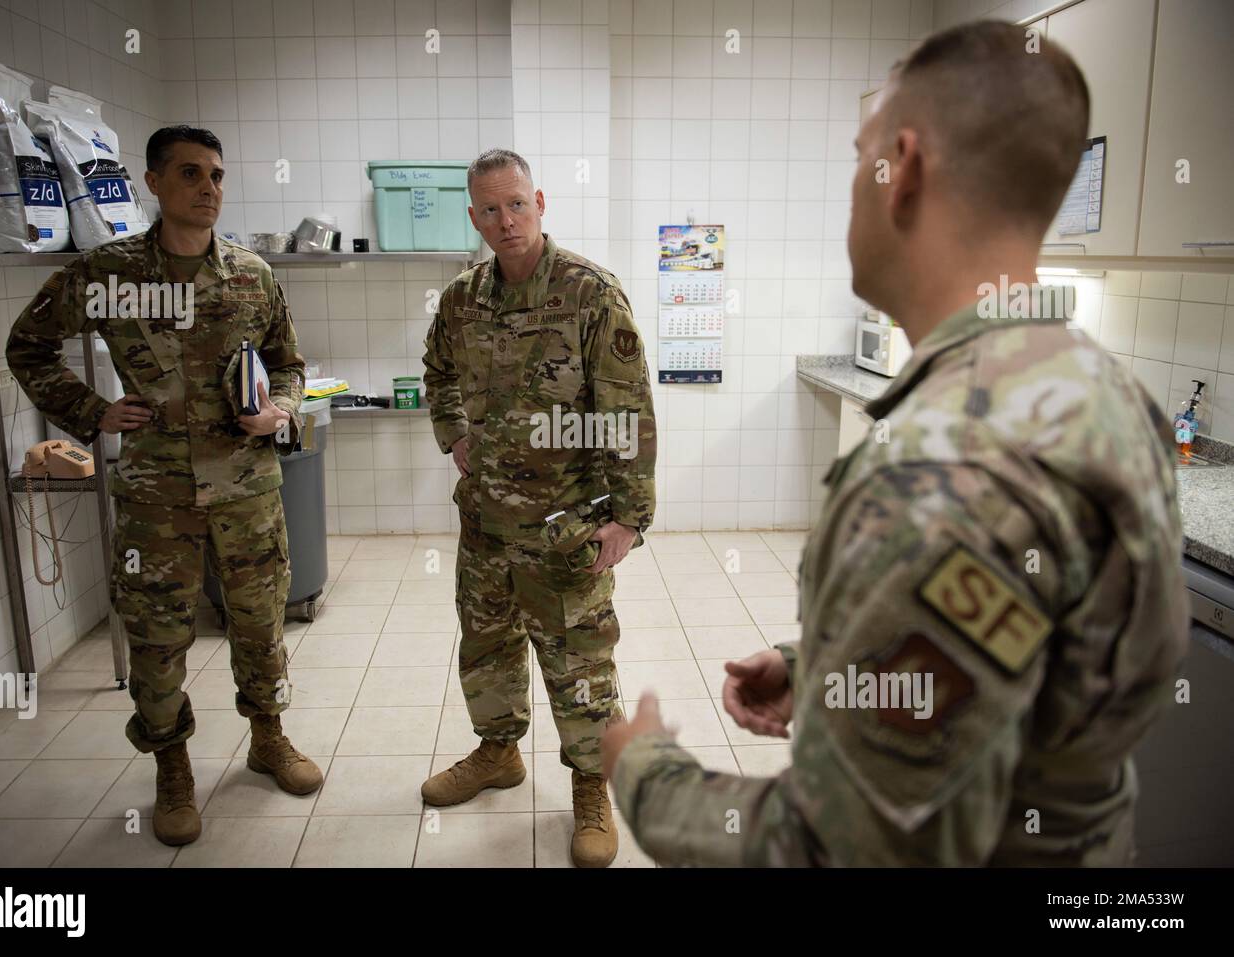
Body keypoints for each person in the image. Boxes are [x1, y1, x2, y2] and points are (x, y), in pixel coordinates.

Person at [602, 20, 1189, 866]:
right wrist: (829, 665)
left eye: (858, 155)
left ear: (903, 170)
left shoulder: (935, 470)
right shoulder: (1110, 393)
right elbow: (1034, 650)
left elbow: (837, 849)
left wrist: (644, 770)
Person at [6, 126, 321, 847]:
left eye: (215, 174)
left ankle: (268, 738)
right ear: (153, 183)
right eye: (189, 174)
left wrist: (280, 410)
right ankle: (171, 766)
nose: (207, 188)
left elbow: (290, 361)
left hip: (246, 490)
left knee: (261, 625)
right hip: (156, 497)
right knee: (155, 637)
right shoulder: (107, 274)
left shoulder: (250, 274)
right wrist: (91, 411)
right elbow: (28, 344)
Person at [421, 149, 657, 867]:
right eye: (490, 209)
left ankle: (591, 784)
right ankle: (498, 752)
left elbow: (629, 411)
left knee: (579, 660)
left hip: (567, 528)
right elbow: (436, 369)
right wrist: (453, 431)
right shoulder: (462, 298)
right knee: (487, 647)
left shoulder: (591, 294)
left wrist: (630, 519)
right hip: (486, 522)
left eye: (517, 204)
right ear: (474, 216)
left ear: (541, 202)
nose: (506, 220)